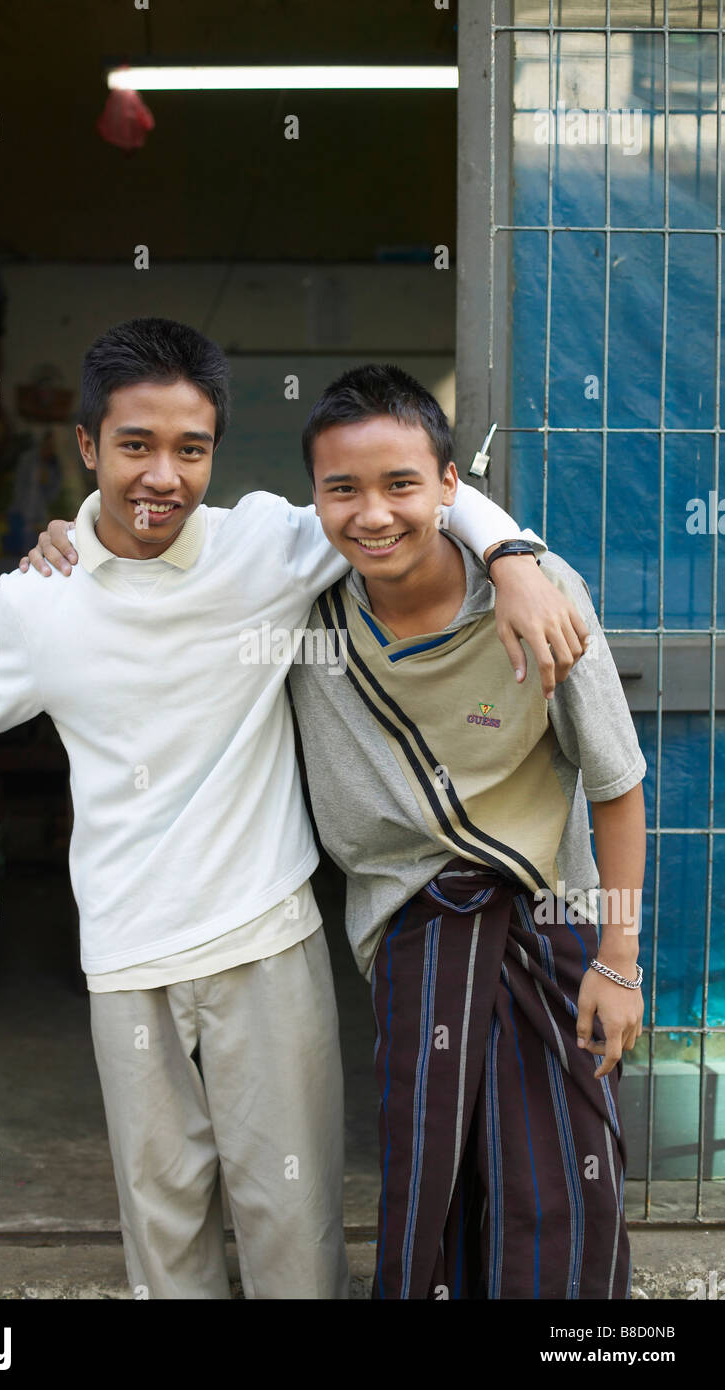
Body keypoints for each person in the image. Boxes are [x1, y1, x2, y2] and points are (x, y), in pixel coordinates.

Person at [0, 317, 586, 1300]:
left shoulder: (265, 543)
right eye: (135, 446)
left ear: (212, 451)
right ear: (87, 447)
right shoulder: (41, 600)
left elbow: (411, 493)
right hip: (126, 955)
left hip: (265, 938)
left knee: (292, 1226)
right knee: (164, 1230)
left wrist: (513, 558)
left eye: (189, 448)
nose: (162, 474)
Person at [281, 364, 645, 1300]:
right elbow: (169, 558)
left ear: (451, 486)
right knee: (435, 1168)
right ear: (312, 499)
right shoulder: (300, 612)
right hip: (411, 927)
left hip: (549, 915)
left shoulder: (537, 595)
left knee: (565, 1166)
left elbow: (614, 783)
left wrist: (616, 959)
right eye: (342, 490)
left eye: (401, 484)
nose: (373, 514)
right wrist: (71, 536)